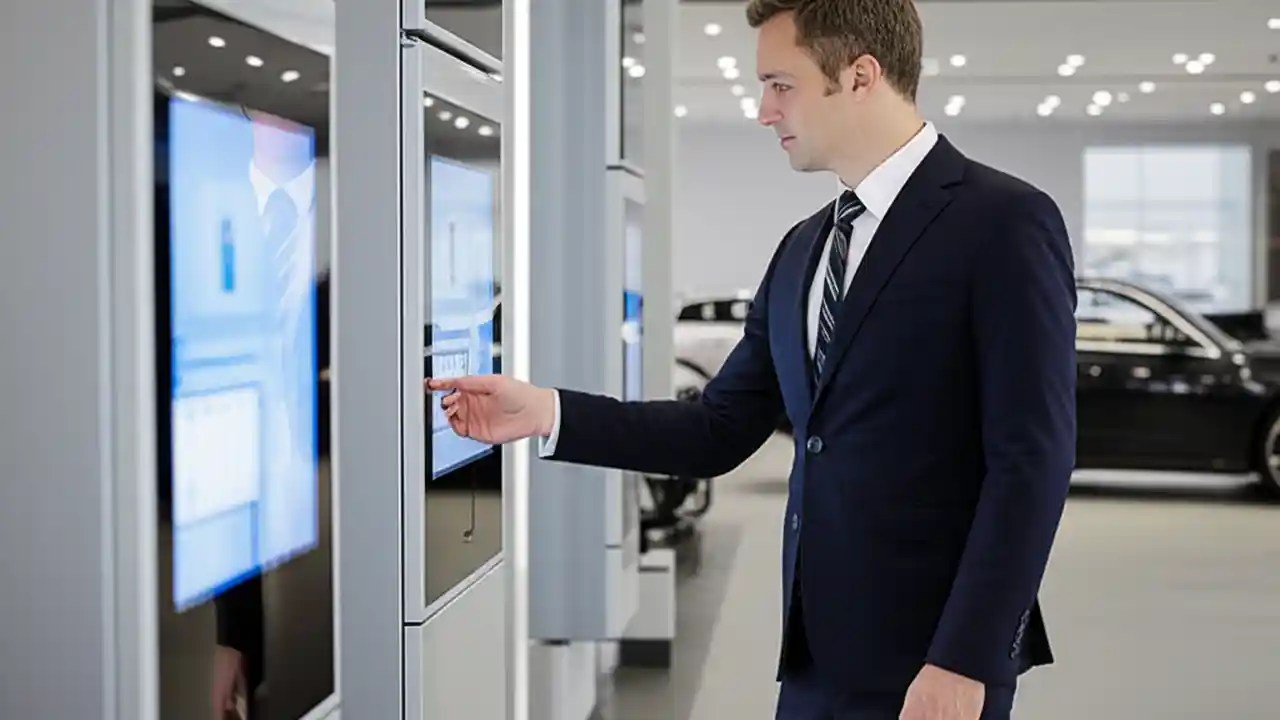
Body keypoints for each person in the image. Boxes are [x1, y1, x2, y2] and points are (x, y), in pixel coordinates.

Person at [429, 1, 1077, 718]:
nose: (765, 111)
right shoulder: (802, 249)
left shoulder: (1004, 223)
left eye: (780, 84)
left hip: (934, 664)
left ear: (860, 76)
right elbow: (719, 427)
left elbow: (1031, 462)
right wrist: (547, 411)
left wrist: (966, 659)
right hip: (812, 656)